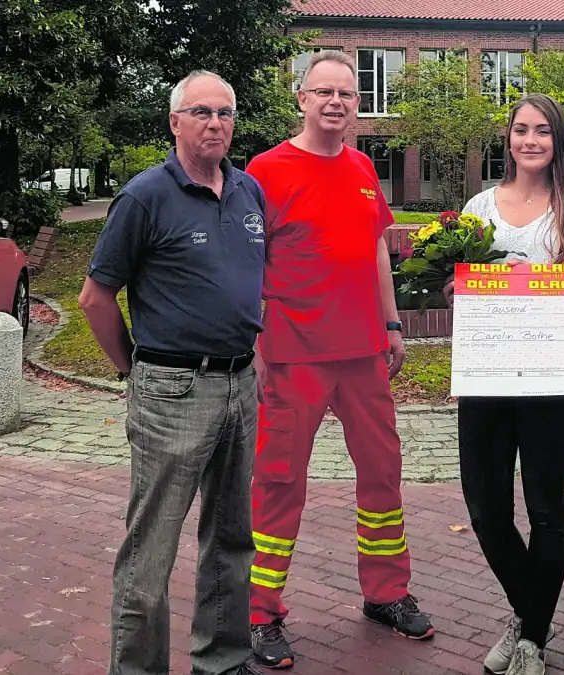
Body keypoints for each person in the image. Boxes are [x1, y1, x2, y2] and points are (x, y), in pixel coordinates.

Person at [241, 49, 434, 670]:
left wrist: (393, 324)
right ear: (301, 99)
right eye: (323, 92)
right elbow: (247, 264)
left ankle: (387, 592)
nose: (335, 103)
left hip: (363, 352)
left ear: (357, 104)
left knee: (382, 472)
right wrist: (256, 342)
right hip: (293, 354)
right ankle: (261, 611)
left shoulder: (360, 168)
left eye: (346, 95)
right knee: (278, 481)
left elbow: (377, 249)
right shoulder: (266, 171)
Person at [80, 70, 268, 675]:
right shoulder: (144, 197)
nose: (216, 123)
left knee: (232, 538)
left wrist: (253, 357)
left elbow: (250, 283)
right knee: (150, 551)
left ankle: (223, 657)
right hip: (171, 389)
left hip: (241, 385)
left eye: (225, 113)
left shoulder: (248, 193)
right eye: (201, 112)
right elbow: (94, 298)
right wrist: (133, 368)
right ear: (175, 122)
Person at [444, 93, 564, 675]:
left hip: (553, 380)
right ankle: (530, 612)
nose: (530, 140)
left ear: (556, 140)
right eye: (520, 130)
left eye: (541, 130)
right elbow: (453, 291)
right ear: (507, 138)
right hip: (487, 377)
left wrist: (532, 279)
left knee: (545, 513)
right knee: (486, 510)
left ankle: (530, 638)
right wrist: (460, 288)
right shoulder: (479, 207)